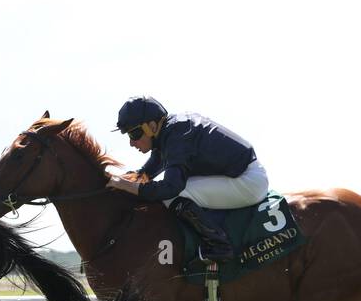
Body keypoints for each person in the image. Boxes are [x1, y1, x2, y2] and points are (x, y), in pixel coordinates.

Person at [105, 96, 268, 262]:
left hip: (248, 181)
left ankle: (219, 245)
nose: (132, 143)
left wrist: (127, 185)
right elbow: (144, 175)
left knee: (172, 196)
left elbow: (171, 188)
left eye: (134, 133)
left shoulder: (176, 135)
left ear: (152, 126)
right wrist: (117, 181)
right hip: (243, 175)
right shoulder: (169, 132)